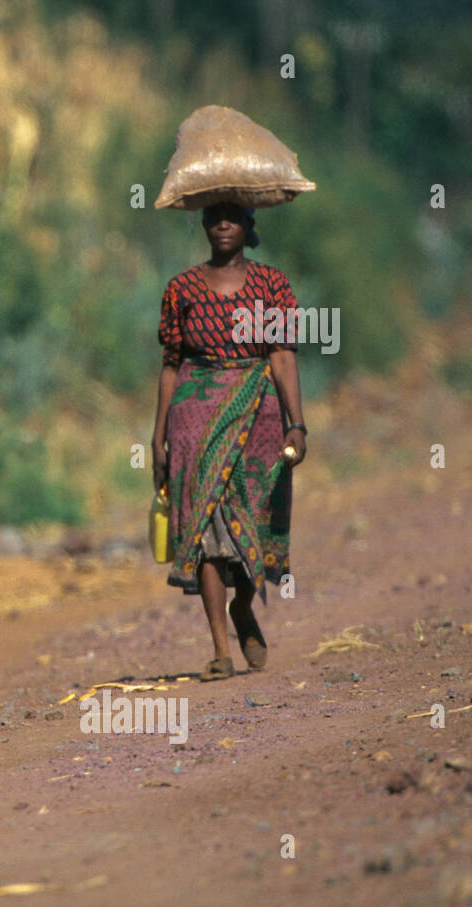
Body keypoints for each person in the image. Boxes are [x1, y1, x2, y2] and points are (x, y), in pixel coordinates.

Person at [151, 202, 307, 680]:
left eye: (232, 217)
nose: (222, 225)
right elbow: (172, 364)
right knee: (207, 527)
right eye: (214, 217)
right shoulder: (181, 288)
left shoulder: (271, 285)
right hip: (194, 418)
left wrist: (296, 424)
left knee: (253, 520)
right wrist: (158, 437)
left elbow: (281, 355)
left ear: (247, 226)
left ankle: (244, 607)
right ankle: (220, 647)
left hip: (257, 414)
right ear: (203, 225)